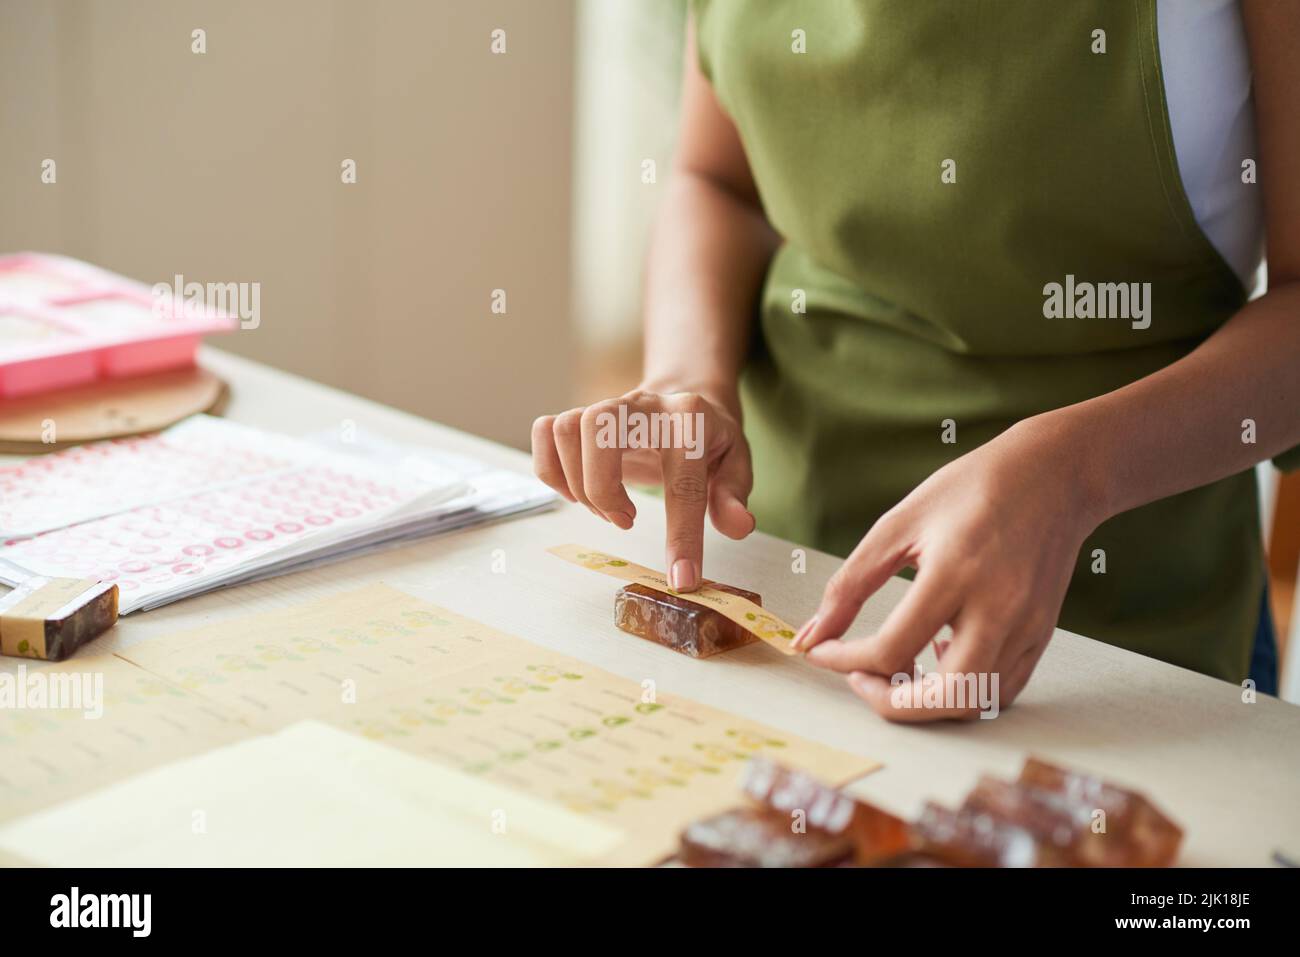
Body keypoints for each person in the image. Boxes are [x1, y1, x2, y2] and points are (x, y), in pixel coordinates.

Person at [531, 0, 1300, 720]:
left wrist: (1074, 474)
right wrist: (685, 378)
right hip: (775, 567)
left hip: (1118, 650)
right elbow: (718, 181)